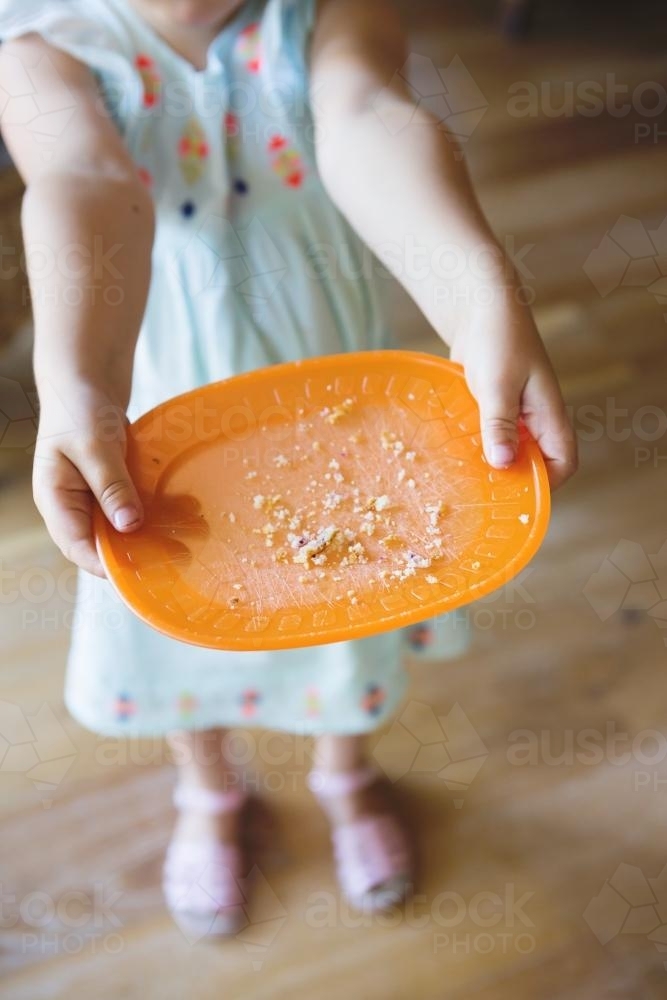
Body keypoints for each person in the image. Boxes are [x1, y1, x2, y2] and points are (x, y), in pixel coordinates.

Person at [0, 0, 576, 938]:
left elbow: (366, 118)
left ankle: (344, 772)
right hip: (152, 408)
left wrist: (475, 297)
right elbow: (85, 179)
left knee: (352, 586)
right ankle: (208, 789)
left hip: (338, 401)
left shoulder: (326, 11)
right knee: (171, 609)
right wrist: (74, 380)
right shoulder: (40, 37)